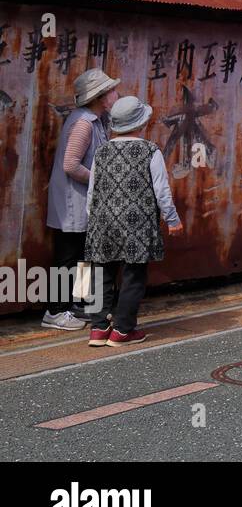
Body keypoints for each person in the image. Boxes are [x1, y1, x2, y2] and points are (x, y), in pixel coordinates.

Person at [84, 96, 183, 347]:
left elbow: (92, 190)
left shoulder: (102, 150)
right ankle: (123, 330)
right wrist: (172, 219)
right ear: (141, 123)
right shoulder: (150, 150)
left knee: (100, 273)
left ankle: (98, 329)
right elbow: (161, 190)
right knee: (133, 275)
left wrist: (92, 219)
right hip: (136, 224)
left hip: (102, 222)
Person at [43, 68, 119, 330]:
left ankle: (78, 303)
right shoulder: (84, 123)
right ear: (99, 97)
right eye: (110, 91)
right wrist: (102, 180)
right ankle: (55, 311)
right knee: (68, 255)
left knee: (85, 253)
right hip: (72, 201)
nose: (114, 94)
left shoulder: (94, 120)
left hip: (84, 201)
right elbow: (71, 165)